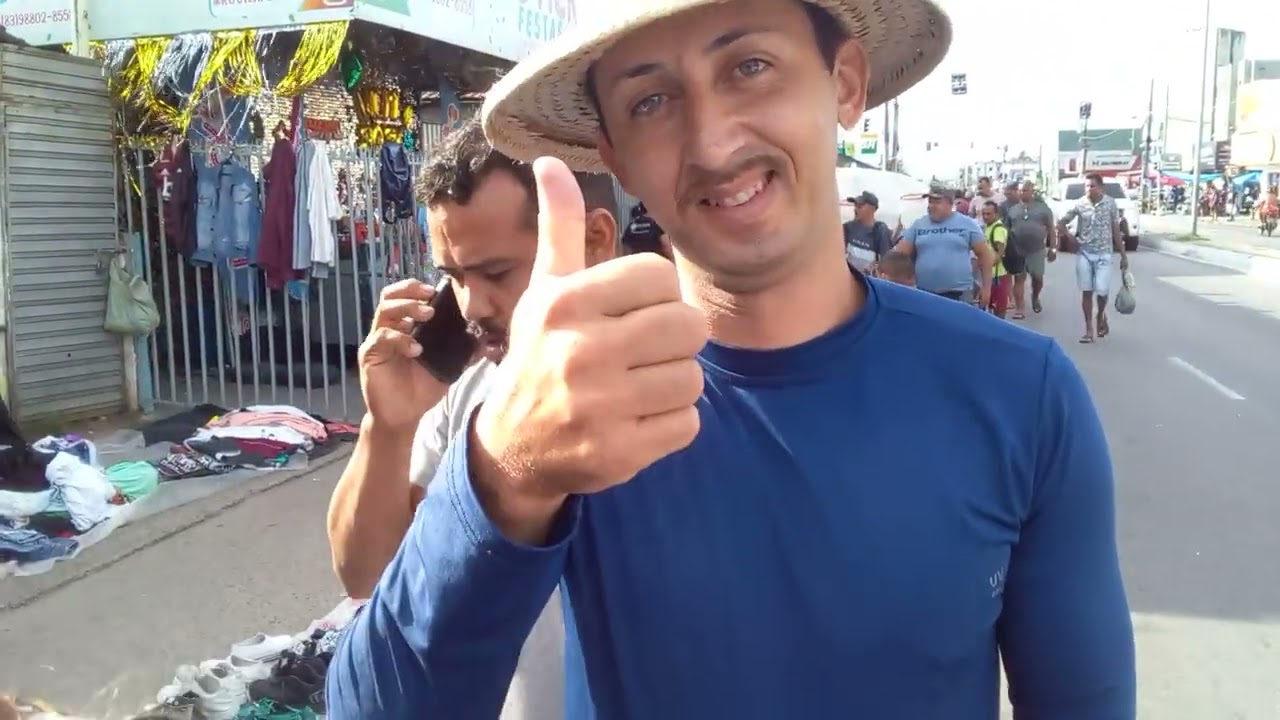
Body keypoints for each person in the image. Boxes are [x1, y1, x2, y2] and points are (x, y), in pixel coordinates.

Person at [326, 1, 1136, 718]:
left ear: (845, 83)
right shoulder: (558, 401)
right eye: (651, 102)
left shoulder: (1020, 394)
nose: (712, 144)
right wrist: (508, 469)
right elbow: (374, 702)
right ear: (613, 155)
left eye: (750, 66)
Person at [324, 116, 626, 720]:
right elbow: (366, 574)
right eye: (454, 277)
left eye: (495, 273)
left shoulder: (689, 391)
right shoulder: (470, 389)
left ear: (593, 240)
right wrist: (388, 426)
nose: (472, 307)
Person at [894, 183, 995, 305]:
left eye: (937, 202)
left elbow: (985, 255)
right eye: (930, 202)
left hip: (959, 294)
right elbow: (899, 255)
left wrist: (986, 288)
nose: (931, 206)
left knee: (957, 325)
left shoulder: (968, 224)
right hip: (924, 293)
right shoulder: (918, 225)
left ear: (949, 203)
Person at [1058, 172, 1128, 344]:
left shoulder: (1110, 203)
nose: (1089, 189)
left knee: (1102, 291)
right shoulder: (1080, 204)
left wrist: (1123, 255)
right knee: (1087, 292)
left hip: (1104, 252)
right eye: (1087, 186)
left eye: (1092, 186)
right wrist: (1070, 237)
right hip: (1085, 253)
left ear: (1100, 187)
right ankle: (1089, 329)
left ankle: (1101, 315)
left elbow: (1115, 230)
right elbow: (1061, 223)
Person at [1006, 180, 1057, 317]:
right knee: (1019, 278)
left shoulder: (1043, 209)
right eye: (1021, 190)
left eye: (1026, 190)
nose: (1023, 193)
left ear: (1032, 192)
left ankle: (1035, 296)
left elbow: (1051, 229)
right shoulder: (1013, 210)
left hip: (1037, 250)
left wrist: (1053, 248)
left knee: (1037, 278)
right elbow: (1007, 230)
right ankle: (1019, 309)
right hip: (1018, 250)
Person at [840, 190, 892, 271]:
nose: (855, 209)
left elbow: (886, 262)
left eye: (860, 206)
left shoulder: (881, 230)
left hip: (867, 280)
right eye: (855, 206)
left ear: (872, 209)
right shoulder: (847, 227)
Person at [980, 200, 1011, 318]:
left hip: (997, 275)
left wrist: (986, 266)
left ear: (996, 214)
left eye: (989, 214)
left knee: (999, 310)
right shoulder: (987, 227)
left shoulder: (998, 229)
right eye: (983, 214)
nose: (985, 217)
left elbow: (1000, 253)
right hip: (989, 276)